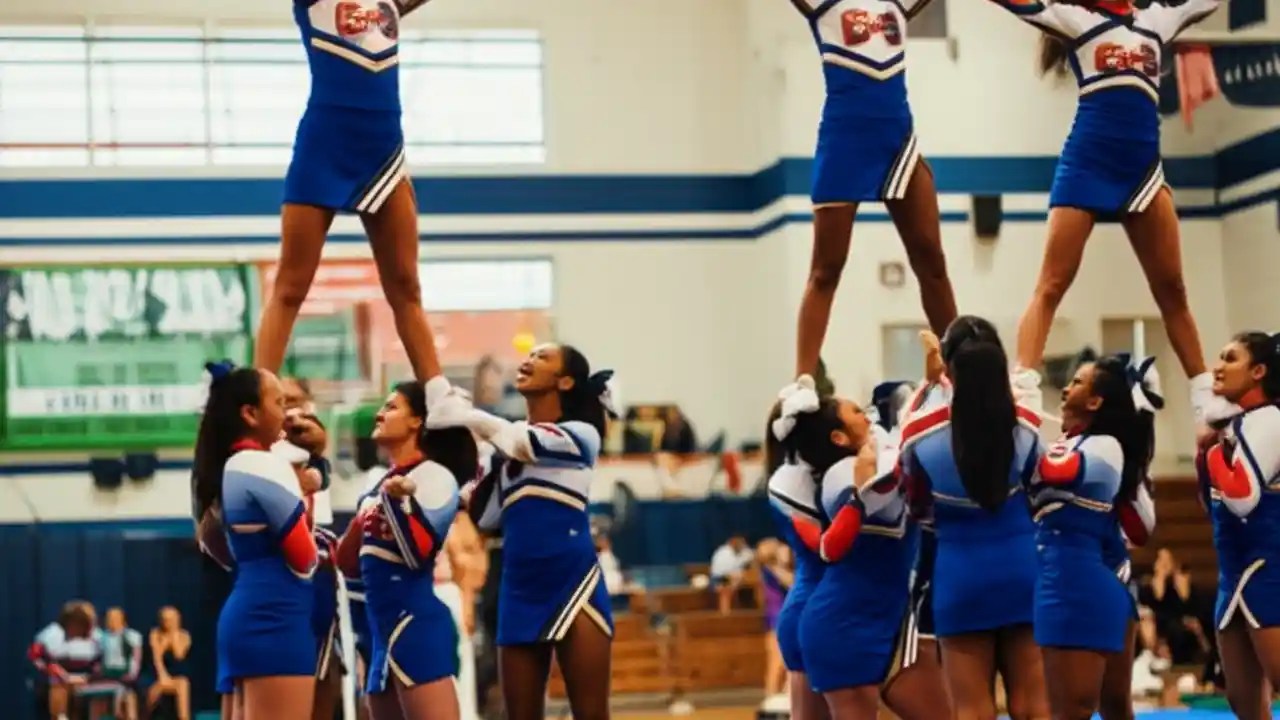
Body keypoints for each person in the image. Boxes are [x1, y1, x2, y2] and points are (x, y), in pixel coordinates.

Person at [986, 0, 1227, 426]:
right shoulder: (1076, 18)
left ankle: (1204, 394)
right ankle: (1022, 385)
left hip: (1143, 171)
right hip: (1088, 164)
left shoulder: (1157, 20)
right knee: (1052, 283)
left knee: (1172, 288)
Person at [256, 0, 455, 399]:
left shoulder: (389, 3)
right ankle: (256, 390)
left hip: (383, 148)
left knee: (405, 284)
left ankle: (438, 394)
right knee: (292, 283)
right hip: (326, 142)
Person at [786, 0, 957, 381]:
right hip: (845, 140)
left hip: (898, 141)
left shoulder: (895, 4)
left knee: (931, 260)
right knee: (826, 268)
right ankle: (802, 382)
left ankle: (963, 367)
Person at [449, 343, 617, 720]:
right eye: (529, 356)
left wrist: (467, 416)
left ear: (566, 381)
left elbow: (522, 442)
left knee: (592, 714)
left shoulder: (581, 434)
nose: (528, 361)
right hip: (520, 587)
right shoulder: (504, 451)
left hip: (575, 583)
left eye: (542, 357)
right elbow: (487, 516)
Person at [897, 318, 1048, 720]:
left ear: (947, 367)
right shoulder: (1028, 421)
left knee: (971, 710)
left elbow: (915, 504)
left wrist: (929, 384)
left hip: (960, 572)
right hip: (1022, 563)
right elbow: (1041, 488)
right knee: (1034, 705)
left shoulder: (919, 430)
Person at [771, 376, 946, 720]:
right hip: (844, 625)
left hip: (886, 618)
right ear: (838, 437)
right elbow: (894, 478)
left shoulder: (876, 454)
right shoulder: (841, 474)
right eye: (855, 411)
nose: (866, 414)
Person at [1025, 355, 1159, 718]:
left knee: (1104, 704)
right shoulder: (1068, 441)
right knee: (1093, 704)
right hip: (1065, 574)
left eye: (1078, 382)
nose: (1066, 387)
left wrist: (1021, 418)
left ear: (1096, 401)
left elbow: (1142, 529)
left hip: (1095, 574)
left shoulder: (1105, 446)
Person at [335, 380, 478, 720]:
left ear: (417, 421)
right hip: (379, 635)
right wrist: (370, 510)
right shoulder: (378, 486)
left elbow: (417, 553)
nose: (380, 413)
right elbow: (347, 563)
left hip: (416, 627)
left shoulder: (434, 476)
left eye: (392, 406)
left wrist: (397, 504)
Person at [192, 363, 320, 720]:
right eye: (280, 402)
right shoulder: (264, 465)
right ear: (250, 413)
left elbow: (212, 543)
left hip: (249, 611)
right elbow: (304, 559)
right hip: (276, 618)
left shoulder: (230, 466)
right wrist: (304, 495)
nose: (288, 413)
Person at [1199, 331, 1280, 718]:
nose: (1218, 366)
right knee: (1244, 702)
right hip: (1234, 574)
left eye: (1230, 358)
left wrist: (1214, 451)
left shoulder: (1267, 419)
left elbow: (1241, 497)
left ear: (1259, 371)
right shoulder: (1238, 425)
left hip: (1268, 568)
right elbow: (1213, 507)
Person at [1098, 359, 1163, 720]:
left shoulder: (1121, 460)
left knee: (1114, 702)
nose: (1064, 390)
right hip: (1058, 582)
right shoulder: (1063, 448)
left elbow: (1141, 530)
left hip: (1110, 577)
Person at [765, 402, 830, 720]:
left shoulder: (820, 480)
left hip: (818, 606)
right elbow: (824, 547)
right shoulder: (792, 484)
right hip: (814, 610)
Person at [756, 538, 793, 708]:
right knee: (776, 663)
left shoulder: (777, 569)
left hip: (785, 619)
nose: (785, 550)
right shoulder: (771, 570)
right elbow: (792, 583)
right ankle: (769, 698)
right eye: (779, 548)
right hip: (777, 620)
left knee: (789, 664)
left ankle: (786, 697)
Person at [147, 607, 193, 720]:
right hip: (157, 676)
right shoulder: (155, 634)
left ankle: (184, 717)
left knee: (183, 684)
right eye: (165, 619)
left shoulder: (185, 635)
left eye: (171, 619)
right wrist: (162, 677)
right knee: (154, 692)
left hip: (176, 677)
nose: (168, 622)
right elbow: (157, 657)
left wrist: (174, 634)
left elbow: (179, 654)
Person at [100, 608, 142, 720]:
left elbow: (136, 658)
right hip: (107, 673)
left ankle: (121, 711)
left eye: (115, 618)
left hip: (125, 674)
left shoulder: (132, 636)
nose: (112, 621)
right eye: (109, 618)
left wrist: (132, 674)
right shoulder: (102, 637)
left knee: (126, 694)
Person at [709, 535, 755, 613]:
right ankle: (726, 615)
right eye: (738, 543)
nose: (741, 545)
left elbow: (753, 558)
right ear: (731, 543)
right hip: (720, 578)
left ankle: (757, 612)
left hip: (740, 578)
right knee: (726, 589)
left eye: (742, 543)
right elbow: (722, 573)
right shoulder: (722, 553)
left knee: (758, 583)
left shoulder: (745, 552)